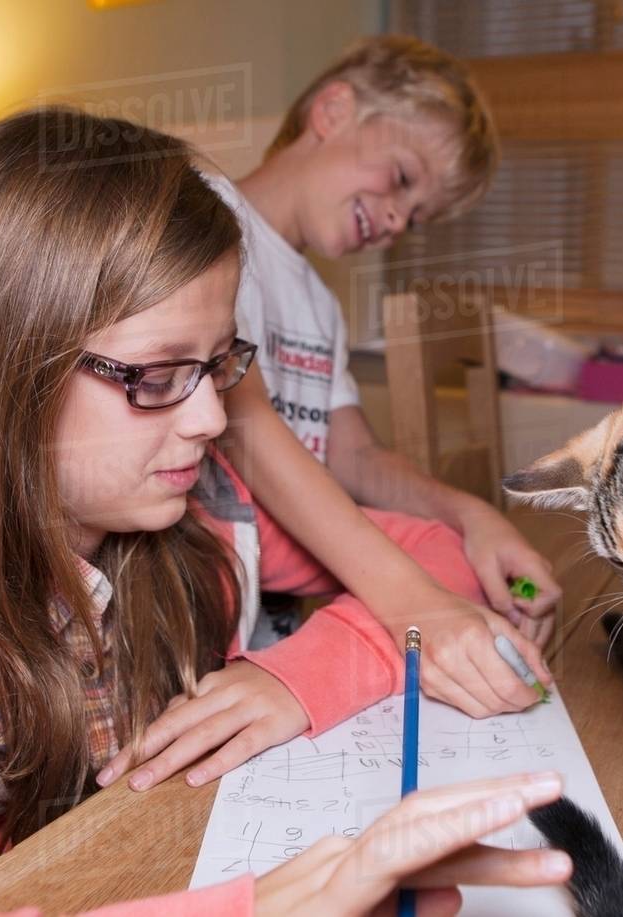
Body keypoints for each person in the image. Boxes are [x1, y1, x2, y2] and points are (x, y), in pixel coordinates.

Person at [0, 107, 565, 914]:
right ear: (5, 360)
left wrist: (297, 681)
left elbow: (431, 555)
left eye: (219, 366)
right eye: (155, 376)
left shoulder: (199, 502)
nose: (213, 420)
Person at [204, 36, 564, 719]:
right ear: (333, 110)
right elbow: (249, 429)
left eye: (417, 215)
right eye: (402, 178)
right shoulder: (203, 225)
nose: (399, 219)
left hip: (272, 615)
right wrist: (414, 603)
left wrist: (474, 516)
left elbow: (357, 456)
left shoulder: (316, 301)